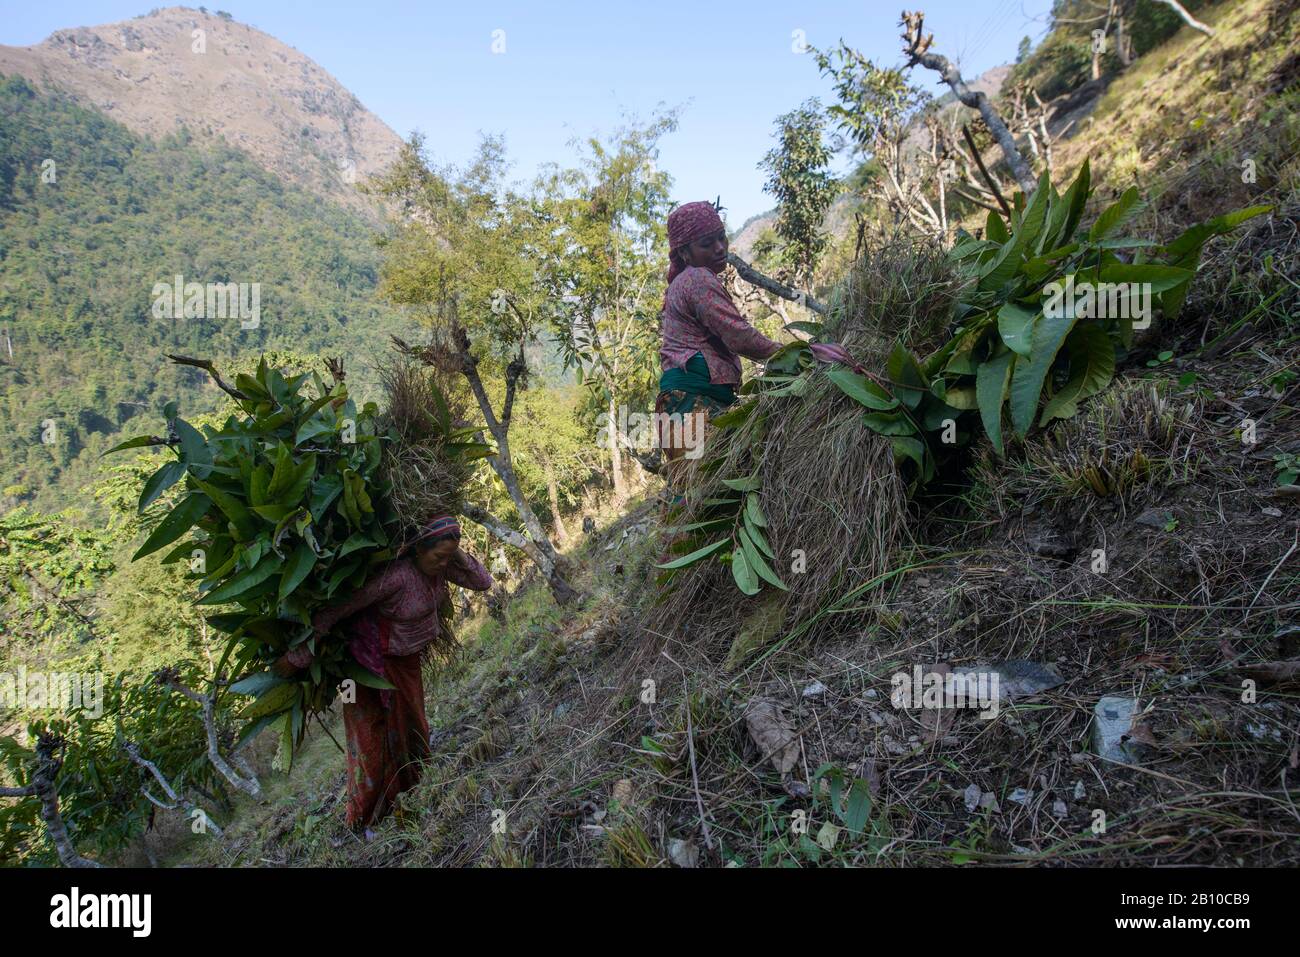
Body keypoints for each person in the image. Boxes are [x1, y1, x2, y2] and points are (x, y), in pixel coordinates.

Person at [273, 515, 492, 831]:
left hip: (405, 664)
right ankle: (362, 818)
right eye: (437, 556)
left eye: (447, 558)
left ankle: (410, 794)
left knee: (414, 729)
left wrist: (452, 547)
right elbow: (338, 610)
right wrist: (297, 657)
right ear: (417, 549)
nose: (442, 563)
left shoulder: (440, 569)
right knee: (369, 740)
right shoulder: (396, 578)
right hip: (365, 669)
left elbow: (483, 581)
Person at [656, 200, 851, 488]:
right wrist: (798, 355)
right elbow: (739, 336)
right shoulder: (697, 279)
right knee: (700, 495)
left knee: (692, 496)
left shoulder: (683, 283)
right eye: (707, 244)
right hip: (690, 404)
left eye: (722, 237)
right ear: (684, 252)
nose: (720, 248)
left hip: (684, 404)